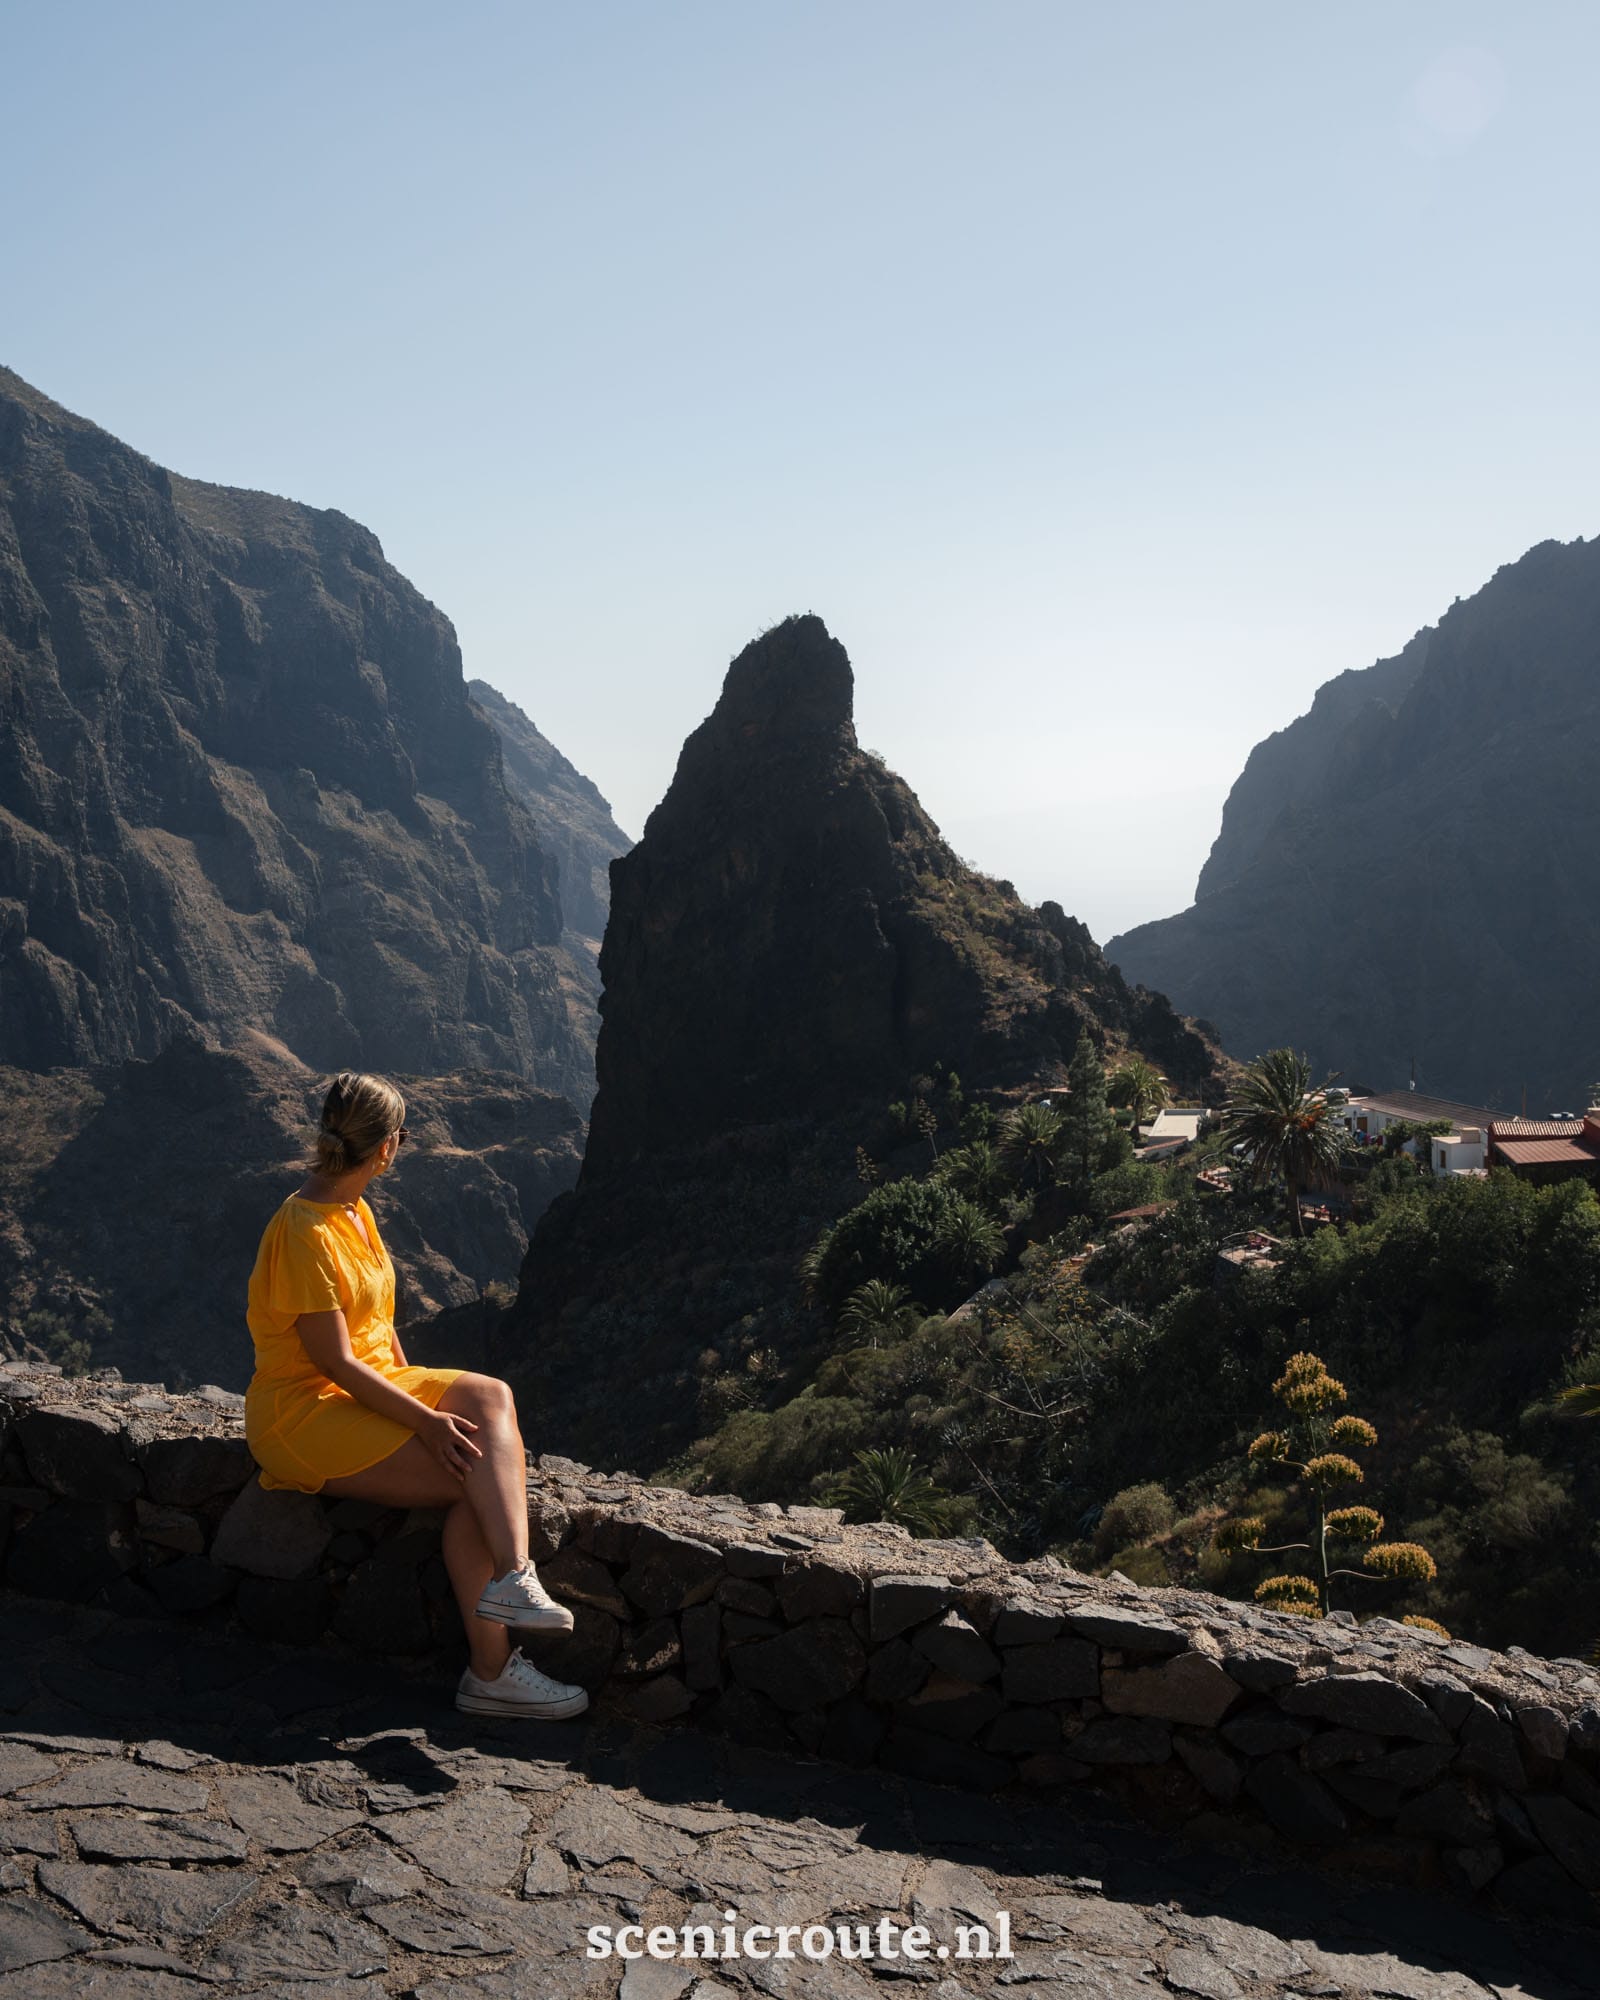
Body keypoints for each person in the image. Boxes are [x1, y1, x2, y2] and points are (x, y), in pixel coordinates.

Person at [244, 1070, 587, 1720]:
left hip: (364, 1388)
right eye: (401, 1136)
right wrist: (427, 1423)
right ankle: (492, 1674)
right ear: (386, 1147)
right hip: (304, 1414)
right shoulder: (303, 1231)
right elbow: (334, 1361)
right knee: (475, 1478)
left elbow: (377, 1329)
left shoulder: (353, 1210)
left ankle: (514, 1578)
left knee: (490, 1396)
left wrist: (424, 1394)